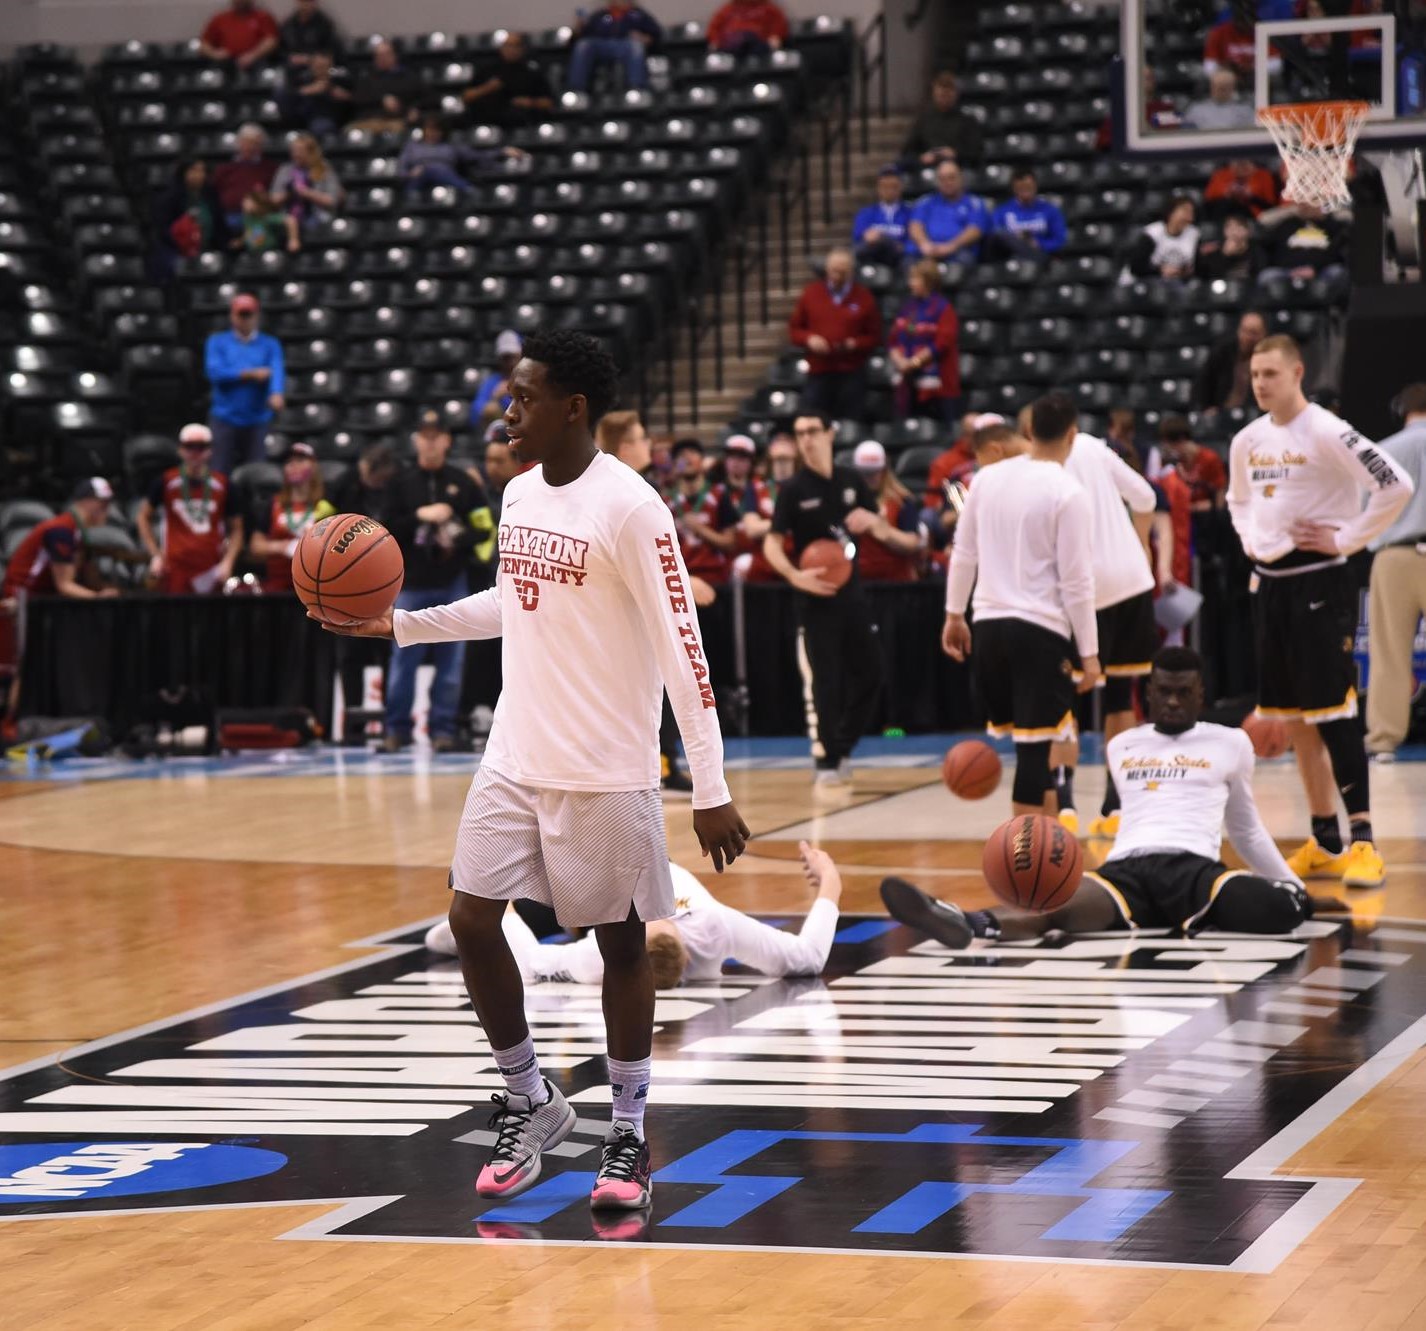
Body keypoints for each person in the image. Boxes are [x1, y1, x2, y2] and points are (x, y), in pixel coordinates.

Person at [313, 327, 749, 1213]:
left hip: (605, 763)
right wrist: (400, 624)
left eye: (522, 396)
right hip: (516, 751)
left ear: (572, 408)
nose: (505, 411)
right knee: (472, 919)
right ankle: (531, 1096)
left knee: (623, 946)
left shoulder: (632, 508)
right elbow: (509, 605)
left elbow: (684, 649)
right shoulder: (516, 496)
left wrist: (710, 786)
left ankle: (627, 1131)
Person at [880, 647, 1314, 948]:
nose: (1174, 701)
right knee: (1052, 907)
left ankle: (1255, 902)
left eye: (1185, 692)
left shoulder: (1231, 742)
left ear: (1202, 693)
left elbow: (1245, 828)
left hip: (1194, 868)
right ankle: (963, 921)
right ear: (1148, 693)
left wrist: (1293, 885)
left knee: (1281, 910)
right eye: (1164, 691)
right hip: (1126, 870)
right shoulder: (1122, 745)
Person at [1227, 334, 1413, 888]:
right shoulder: (1246, 440)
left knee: (1335, 716)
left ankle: (1364, 843)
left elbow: (1395, 485)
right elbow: (1239, 501)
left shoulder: (1329, 430)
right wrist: (1251, 541)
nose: (1261, 383)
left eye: (1271, 374)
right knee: (1297, 718)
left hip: (1320, 584)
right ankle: (1325, 837)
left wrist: (1349, 538)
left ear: (1298, 373)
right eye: (1256, 374)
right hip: (1271, 587)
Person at [942, 403, 1101, 817]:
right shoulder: (1067, 491)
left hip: (989, 629)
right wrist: (1089, 653)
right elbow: (1077, 582)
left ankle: (1049, 857)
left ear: (1029, 431)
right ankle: (1025, 866)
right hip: (1039, 632)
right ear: (1072, 435)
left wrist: (954, 614)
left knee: (1033, 751)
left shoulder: (987, 478)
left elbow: (963, 552)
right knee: (1034, 757)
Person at [426, 841, 842, 985]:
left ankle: (453, 932)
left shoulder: (601, 957)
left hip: (575, 886)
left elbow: (531, 965)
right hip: (603, 869)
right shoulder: (709, 927)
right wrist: (830, 880)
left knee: (466, 928)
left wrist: (496, 914)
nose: (650, 912)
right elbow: (806, 959)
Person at [761, 412, 915, 784]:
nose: (807, 440)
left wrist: (875, 523)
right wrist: (795, 575)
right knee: (826, 681)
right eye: (800, 434)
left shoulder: (851, 481)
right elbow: (772, 542)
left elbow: (887, 533)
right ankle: (828, 759)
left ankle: (844, 743)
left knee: (872, 672)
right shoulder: (794, 489)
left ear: (831, 433)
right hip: (814, 601)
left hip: (852, 595)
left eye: (813, 431)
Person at [1049, 423, 1159, 839]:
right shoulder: (1094, 447)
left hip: (1082, 589)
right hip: (1131, 580)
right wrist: (1141, 541)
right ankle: (1116, 805)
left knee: (1067, 699)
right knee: (1119, 696)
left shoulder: (1038, 467)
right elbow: (1147, 497)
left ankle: (1065, 807)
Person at [596, 409, 704, 796]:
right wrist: (688, 585)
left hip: (635, 609)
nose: (649, 445)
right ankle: (657, 767)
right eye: (642, 438)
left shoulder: (638, 487)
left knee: (657, 686)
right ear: (625, 447)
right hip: (618, 614)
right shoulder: (621, 495)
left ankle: (663, 764)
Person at [378, 411, 491, 752]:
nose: (429, 441)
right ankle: (396, 730)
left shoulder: (464, 482)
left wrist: (455, 533)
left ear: (446, 440)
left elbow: (484, 529)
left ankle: (442, 729)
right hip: (410, 584)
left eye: (436, 435)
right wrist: (419, 517)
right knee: (402, 663)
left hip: (451, 583)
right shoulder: (400, 483)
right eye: (423, 435)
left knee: (450, 664)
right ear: (416, 441)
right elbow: (383, 529)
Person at [0, 478, 119, 722]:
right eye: (101, 503)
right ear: (84, 502)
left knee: (30, 666)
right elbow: (64, 585)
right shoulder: (61, 530)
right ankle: (9, 726)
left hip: (37, 604)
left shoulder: (74, 533)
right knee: (21, 667)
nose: (106, 510)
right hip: (20, 601)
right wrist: (98, 598)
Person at [1366, 383, 1426, 759]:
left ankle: (1384, 742)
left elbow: (1364, 508)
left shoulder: (1383, 450)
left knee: (1389, 653)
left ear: (1400, 410)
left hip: (1394, 554)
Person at [137, 424, 244, 595]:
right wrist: (155, 554)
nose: (195, 453)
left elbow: (237, 529)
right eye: (189, 447)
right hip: (175, 568)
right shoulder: (166, 481)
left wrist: (228, 562)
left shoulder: (224, 484)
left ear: (210, 451)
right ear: (180, 450)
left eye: (201, 447)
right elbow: (143, 516)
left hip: (211, 569)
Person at [787, 247, 882, 421]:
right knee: (812, 420)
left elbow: (874, 336)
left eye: (842, 272)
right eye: (833, 271)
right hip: (819, 371)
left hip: (851, 372)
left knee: (850, 422)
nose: (837, 276)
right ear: (826, 270)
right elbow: (795, 330)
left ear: (851, 272)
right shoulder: (811, 293)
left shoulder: (863, 296)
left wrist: (856, 344)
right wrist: (809, 339)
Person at [204, 293, 285, 474]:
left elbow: (276, 371)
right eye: (241, 315)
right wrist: (249, 374)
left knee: (257, 471)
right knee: (219, 470)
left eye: (249, 315)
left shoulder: (270, 344)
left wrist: (276, 392)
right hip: (225, 417)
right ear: (232, 316)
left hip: (257, 418)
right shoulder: (217, 342)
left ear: (257, 316)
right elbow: (215, 373)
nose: (245, 320)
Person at [887, 258, 960, 424]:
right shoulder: (907, 308)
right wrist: (900, 361)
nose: (910, 283)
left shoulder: (943, 308)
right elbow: (893, 340)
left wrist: (914, 362)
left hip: (937, 384)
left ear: (928, 281)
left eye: (915, 279)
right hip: (907, 380)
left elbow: (942, 343)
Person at [249, 441, 323, 593]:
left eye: (301, 460)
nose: (293, 465)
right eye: (289, 462)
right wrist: (283, 547)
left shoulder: (325, 505)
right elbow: (255, 546)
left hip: (314, 587)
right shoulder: (273, 504)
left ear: (313, 466)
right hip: (277, 586)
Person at [398, 114, 525, 197]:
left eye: (436, 130)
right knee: (425, 172)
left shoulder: (450, 147)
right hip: (418, 179)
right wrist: (411, 174)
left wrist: (502, 151)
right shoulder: (411, 146)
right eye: (429, 130)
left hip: (445, 175)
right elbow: (401, 172)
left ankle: (469, 191)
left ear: (442, 132)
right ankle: (467, 188)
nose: (432, 133)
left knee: (434, 169)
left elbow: (477, 156)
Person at [852, 441, 924, 583]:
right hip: (858, 581)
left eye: (873, 473)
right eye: (864, 473)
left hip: (895, 582)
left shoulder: (901, 501)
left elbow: (913, 542)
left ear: (884, 470)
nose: (868, 478)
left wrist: (885, 532)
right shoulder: (847, 500)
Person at [666, 438, 733, 585]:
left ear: (702, 461)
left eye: (693, 453)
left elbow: (730, 542)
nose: (687, 457)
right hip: (679, 579)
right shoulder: (665, 501)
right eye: (681, 455)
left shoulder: (719, 495)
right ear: (675, 465)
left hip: (714, 577)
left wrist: (700, 529)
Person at [152, 158, 232, 278]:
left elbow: (220, 226)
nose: (199, 175)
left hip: (209, 248)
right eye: (194, 170)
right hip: (177, 250)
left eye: (202, 171)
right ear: (184, 173)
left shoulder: (211, 196)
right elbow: (164, 230)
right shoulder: (169, 198)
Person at [461, 31, 554, 128]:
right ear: (502, 48)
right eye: (508, 45)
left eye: (516, 46)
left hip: (521, 121)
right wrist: (487, 88)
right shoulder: (487, 70)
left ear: (522, 49)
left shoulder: (532, 73)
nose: (511, 50)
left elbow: (548, 103)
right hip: (487, 121)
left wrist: (530, 102)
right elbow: (466, 97)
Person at [907, 159, 990, 266]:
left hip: (958, 251)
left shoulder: (974, 203)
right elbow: (915, 226)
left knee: (964, 260)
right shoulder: (925, 202)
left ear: (961, 178)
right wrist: (924, 244)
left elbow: (974, 230)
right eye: (942, 179)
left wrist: (951, 246)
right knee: (908, 262)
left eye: (951, 178)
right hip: (928, 250)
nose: (947, 183)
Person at [566, 4, 663, 93]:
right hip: (602, 47)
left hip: (626, 47)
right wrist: (578, 28)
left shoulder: (638, 15)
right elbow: (579, 38)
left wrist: (644, 38)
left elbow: (656, 35)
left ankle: (637, 89)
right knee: (583, 45)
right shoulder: (600, 15)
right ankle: (576, 90)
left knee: (635, 47)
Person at [900, 70, 984, 168]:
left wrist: (956, 154)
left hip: (959, 168)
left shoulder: (968, 121)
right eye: (941, 95)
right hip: (929, 170)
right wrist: (921, 157)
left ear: (955, 94)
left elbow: (976, 152)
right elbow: (907, 151)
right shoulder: (924, 120)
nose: (944, 98)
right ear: (934, 94)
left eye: (948, 95)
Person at [1195, 309, 1268, 415]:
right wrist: (1206, 409)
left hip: (1254, 418)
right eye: (1244, 331)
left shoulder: (1270, 360)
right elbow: (1202, 386)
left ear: (1263, 335)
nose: (1247, 337)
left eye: (1253, 333)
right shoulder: (1222, 352)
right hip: (1220, 414)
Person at [1257, 202, 1350, 284]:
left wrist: (1314, 269)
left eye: (1311, 203)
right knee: (1267, 276)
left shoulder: (1331, 226)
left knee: (1337, 272)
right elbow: (1278, 252)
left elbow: (1334, 252)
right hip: (1289, 272)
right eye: (1303, 203)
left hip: (1321, 271)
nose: (1307, 206)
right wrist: (1294, 271)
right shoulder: (1286, 224)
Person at [986, 168, 1067, 261]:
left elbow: (1059, 240)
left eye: (1028, 186)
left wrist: (1039, 243)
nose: (1025, 190)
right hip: (1011, 258)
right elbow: (994, 236)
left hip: (1040, 255)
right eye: (1021, 187)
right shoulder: (1002, 211)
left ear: (1035, 186)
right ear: (1014, 188)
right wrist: (1017, 239)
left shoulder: (1050, 210)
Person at [270, 133, 344, 234]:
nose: (296, 154)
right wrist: (289, 193)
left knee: (312, 226)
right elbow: (273, 199)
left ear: (311, 152)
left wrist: (307, 193)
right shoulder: (285, 170)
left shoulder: (324, 169)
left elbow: (332, 201)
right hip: (289, 217)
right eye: (293, 151)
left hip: (318, 216)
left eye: (300, 151)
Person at [348, 39, 423, 134]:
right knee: (350, 131)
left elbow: (428, 98)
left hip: (397, 120)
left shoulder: (409, 78)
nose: (382, 58)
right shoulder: (366, 78)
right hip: (369, 121)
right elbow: (357, 99)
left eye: (385, 54)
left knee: (396, 129)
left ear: (394, 56)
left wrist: (414, 109)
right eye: (378, 55)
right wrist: (381, 99)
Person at [1121, 195, 1199, 283]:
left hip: (1173, 285)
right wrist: (1160, 271)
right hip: (1141, 283)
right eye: (1185, 211)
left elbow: (1193, 269)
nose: (1189, 217)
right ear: (1171, 213)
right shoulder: (1153, 233)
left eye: (1191, 213)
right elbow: (1136, 267)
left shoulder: (1193, 235)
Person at [213, 124, 276, 230]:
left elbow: (274, 196)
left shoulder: (270, 169)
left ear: (261, 146)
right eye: (246, 142)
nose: (250, 147)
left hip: (259, 218)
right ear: (238, 143)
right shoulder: (224, 169)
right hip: (229, 215)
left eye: (255, 143)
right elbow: (214, 194)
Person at [1158, 416, 1228, 511]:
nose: (1169, 451)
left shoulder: (1209, 458)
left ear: (1181, 441)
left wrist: (1217, 510)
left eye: (1170, 446)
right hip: (1182, 511)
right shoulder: (1171, 463)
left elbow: (1220, 488)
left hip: (1206, 513)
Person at [852, 167, 914, 265]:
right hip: (872, 254)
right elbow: (858, 238)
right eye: (885, 187)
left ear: (900, 187)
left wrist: (885, 238)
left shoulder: (910, 212)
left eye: (894, 187)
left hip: (899, 257)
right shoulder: (866, 213)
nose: (889, 191)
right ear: (878, 188)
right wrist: (868, 238)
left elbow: (913, 241)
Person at [281, 50, 351, 136]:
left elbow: (354, 100)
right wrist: (307, 91)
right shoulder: (304, 80)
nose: (320, 70)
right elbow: (288, 96)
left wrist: (343, 95)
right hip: (303, 117)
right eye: (317, 66)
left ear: (331, 66)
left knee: (321, 126)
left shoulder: (340, 81)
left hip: (329, 118)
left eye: (324, 67)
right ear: (311, 67)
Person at [1203, 4, 1281, 79]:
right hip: (1229, 79)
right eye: (1240, 18)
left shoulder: (1263, 31)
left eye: (1247, 19)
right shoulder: (1220, 32)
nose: (1244, 23)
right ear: (1234, 17)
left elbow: (1276, 65)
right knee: (1222, 79)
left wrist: (1251, 68)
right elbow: (1209, 66)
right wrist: (1227, 69)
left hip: (1258, 78)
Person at [199, 0, 279, 68]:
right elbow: (204, 45)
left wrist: (253, 55)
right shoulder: (220, 19)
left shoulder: (263, 17)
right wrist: (215, 54)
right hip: (226, 65)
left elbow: (271, 41)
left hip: (256, 65)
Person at [470, 330, 524, 430]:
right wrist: (495, 397)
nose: (510, 363)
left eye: (513, 357)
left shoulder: (532, 380)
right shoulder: (492, 382)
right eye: (506, 358)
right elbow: (475, 415)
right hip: (502, 433)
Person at [1194, 211, 1265, 283]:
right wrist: (1225, 255)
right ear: (1224, 231)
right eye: (1230, 227)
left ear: (1247, 231)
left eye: (1239, 227)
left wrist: (1242, 251)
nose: (1234, 232)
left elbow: (1261, 272)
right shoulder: (1216, 250)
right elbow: (1212, 277)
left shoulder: (1255, 249)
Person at [1204, 159, 1279, 221]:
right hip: (1225, 212)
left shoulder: (1264, 175)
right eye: (1237, 164)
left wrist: (1251, 197)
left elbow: (1270, 205)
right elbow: (1209, 202)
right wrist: (1227, 194)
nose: (1241, 168)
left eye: (1244, 164)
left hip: (1255, 215)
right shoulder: (1220, 175)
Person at [706, 0, 788, 57]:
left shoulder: (768, 8)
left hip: (759, 45)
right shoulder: (728, 9)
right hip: (731, 46)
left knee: (749, 38)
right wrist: (715, 40)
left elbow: (779, 25)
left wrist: (775, 37)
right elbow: (714, 27)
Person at [1185, 69, 1257, 131]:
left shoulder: (1245, 111)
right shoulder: (1196, 110)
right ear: (1211, 87)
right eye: (1217, 86)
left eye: (1224, 88)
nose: (1220, 91)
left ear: (1232, 88)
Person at [278, 0, 339, 71]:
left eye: (308, 2)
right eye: (303, 2)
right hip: (290, 66)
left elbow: (330, 49)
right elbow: (281, 48)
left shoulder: (324, 25)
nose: (305, 5)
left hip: (315, 66)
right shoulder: (288, 25)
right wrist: (290, 57)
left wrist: (310, 58)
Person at [239, 185, 300, 254]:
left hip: (270, 253)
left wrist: (293, 240)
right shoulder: (247, 219)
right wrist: (240, 241)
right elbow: (248, 234)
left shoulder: (267, 218)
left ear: (258, 205)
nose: (244, 204)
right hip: (253, 254)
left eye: (248, 202)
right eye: (244, 201)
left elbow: (290, 220)